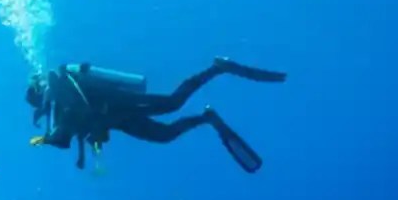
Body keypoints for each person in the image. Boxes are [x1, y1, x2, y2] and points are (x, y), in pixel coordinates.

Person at [26, 58, 286, 172]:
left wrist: (50, 137)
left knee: (173, 103)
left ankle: (217, 68)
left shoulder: (58, 88)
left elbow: (73, 120)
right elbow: (72, 132)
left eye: (39, 102)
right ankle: (206, 118)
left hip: (117, 103)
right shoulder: (58, 106)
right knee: (164, 136)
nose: (43, 106)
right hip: (119, 119)